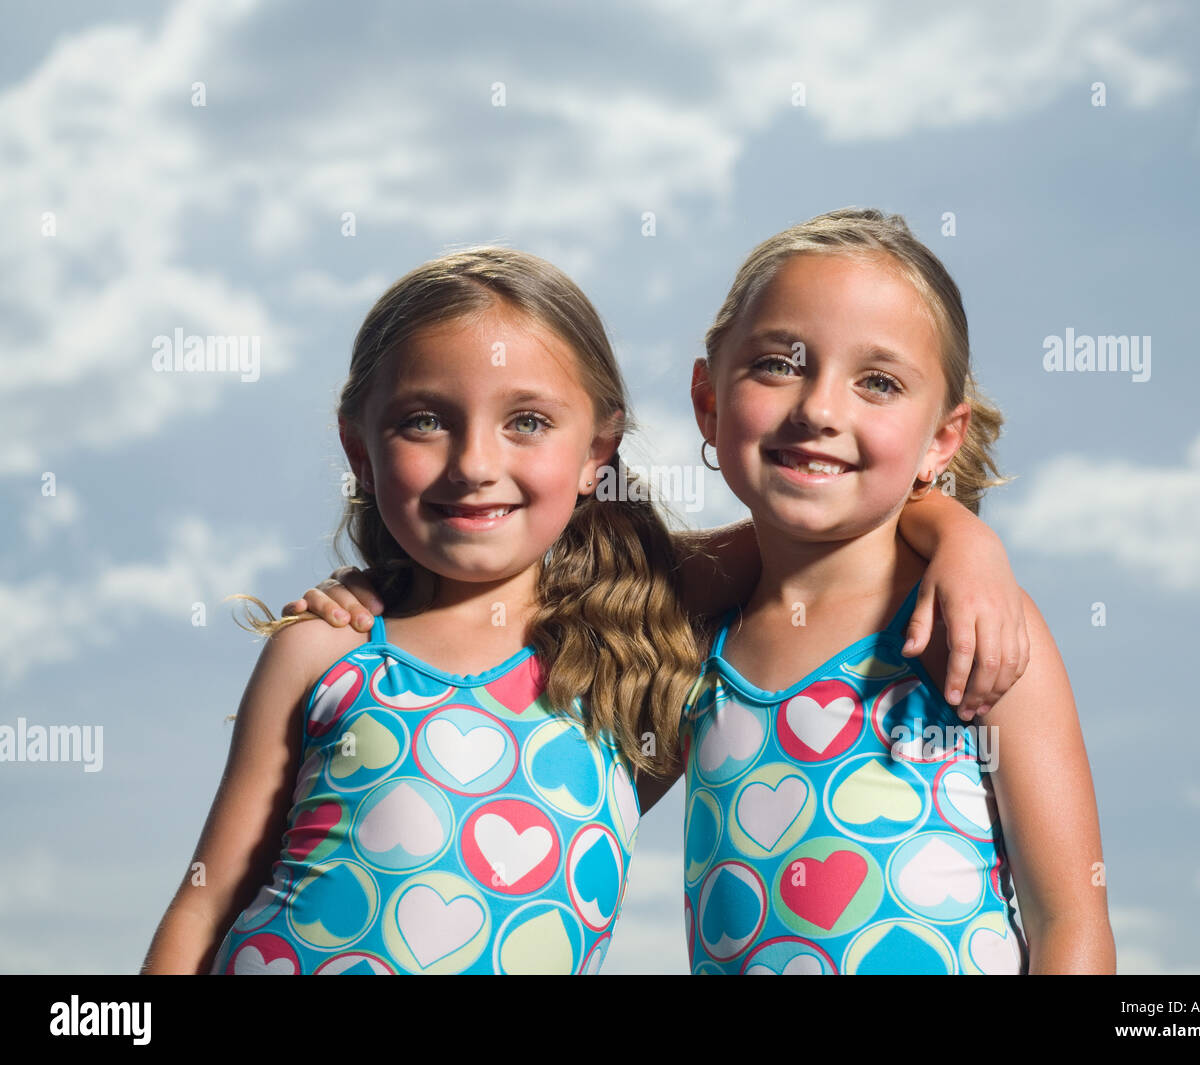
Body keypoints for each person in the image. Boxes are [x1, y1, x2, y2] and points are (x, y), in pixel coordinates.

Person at [141, 247, 706, 974]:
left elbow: (819, 552)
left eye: (528, 421)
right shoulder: (324, 646)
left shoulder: (634, 663)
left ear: (598, 449)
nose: (473, 463)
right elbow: (204, 901)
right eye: (425, 421)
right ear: (360, 450)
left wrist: (912, 516)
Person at [674, 207, 1114, 973]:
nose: (818, 409)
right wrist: (390, 593)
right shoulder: (698, 628)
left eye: (876, 381)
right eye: (780, 363)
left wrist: (956, 533)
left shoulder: (971, 622)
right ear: (709, 402)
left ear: (941, 439)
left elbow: (1069, 917)